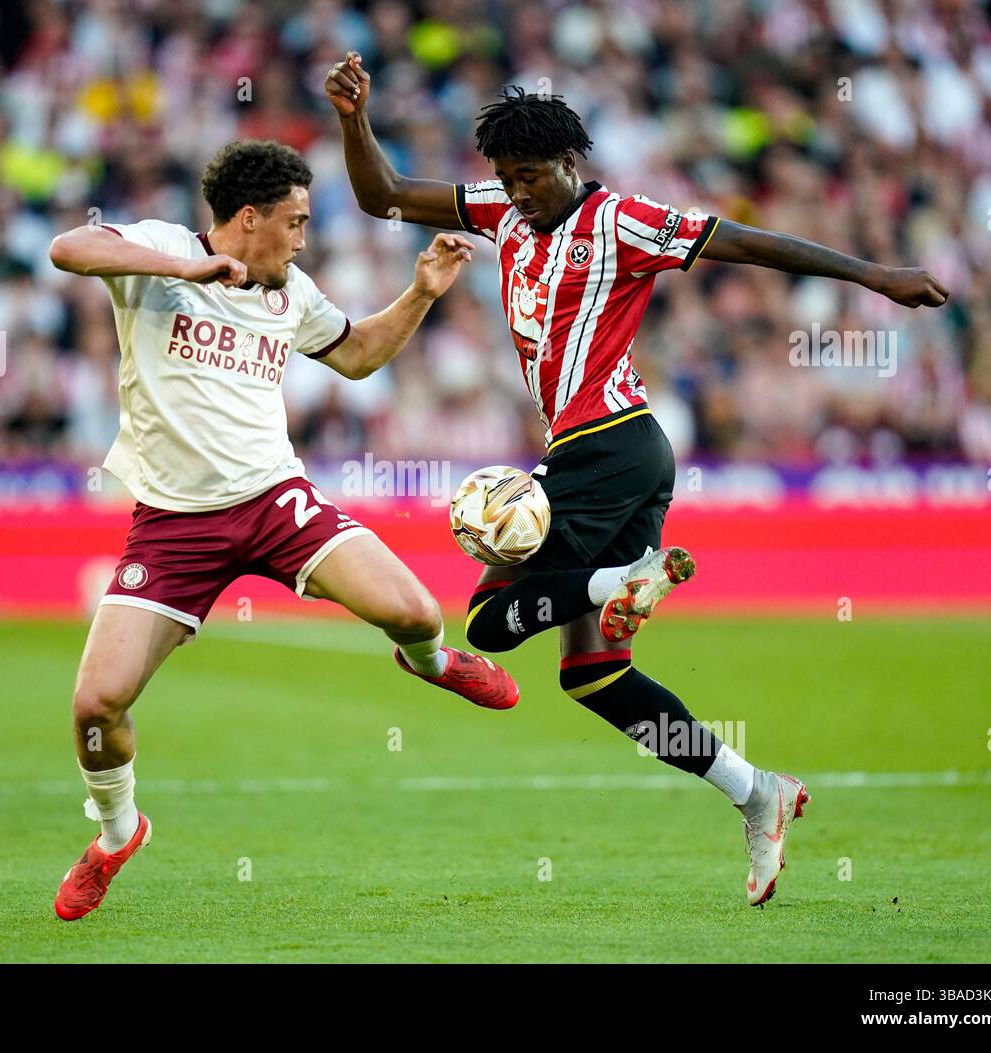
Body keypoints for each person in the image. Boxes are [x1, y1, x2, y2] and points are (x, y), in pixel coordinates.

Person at [325, 54, 949, 905]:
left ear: (570, 164)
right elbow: (382, 195)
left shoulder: (622, 221)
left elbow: (747, 243)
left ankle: (627, 578)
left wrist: (875, 277)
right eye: (507, 178)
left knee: (488, 623)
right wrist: (354, 118)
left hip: (605, 445)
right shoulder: (501, 216)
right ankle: (756, 790)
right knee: (594, 676)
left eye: (532, 176)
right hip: (623, 455)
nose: (518, 193)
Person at [48, 139, 518, 921]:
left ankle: (433, 663)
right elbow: (70, 247)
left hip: (274, 500)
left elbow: (360, 353)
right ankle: (115, 835)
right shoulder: (163, 248)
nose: (305, 239)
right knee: (96, 705)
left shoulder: (290, 290)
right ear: (248, 218)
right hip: (172, 528)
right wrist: (186, 272)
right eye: (295, 223)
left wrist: (422, 292)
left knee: (419, 613)